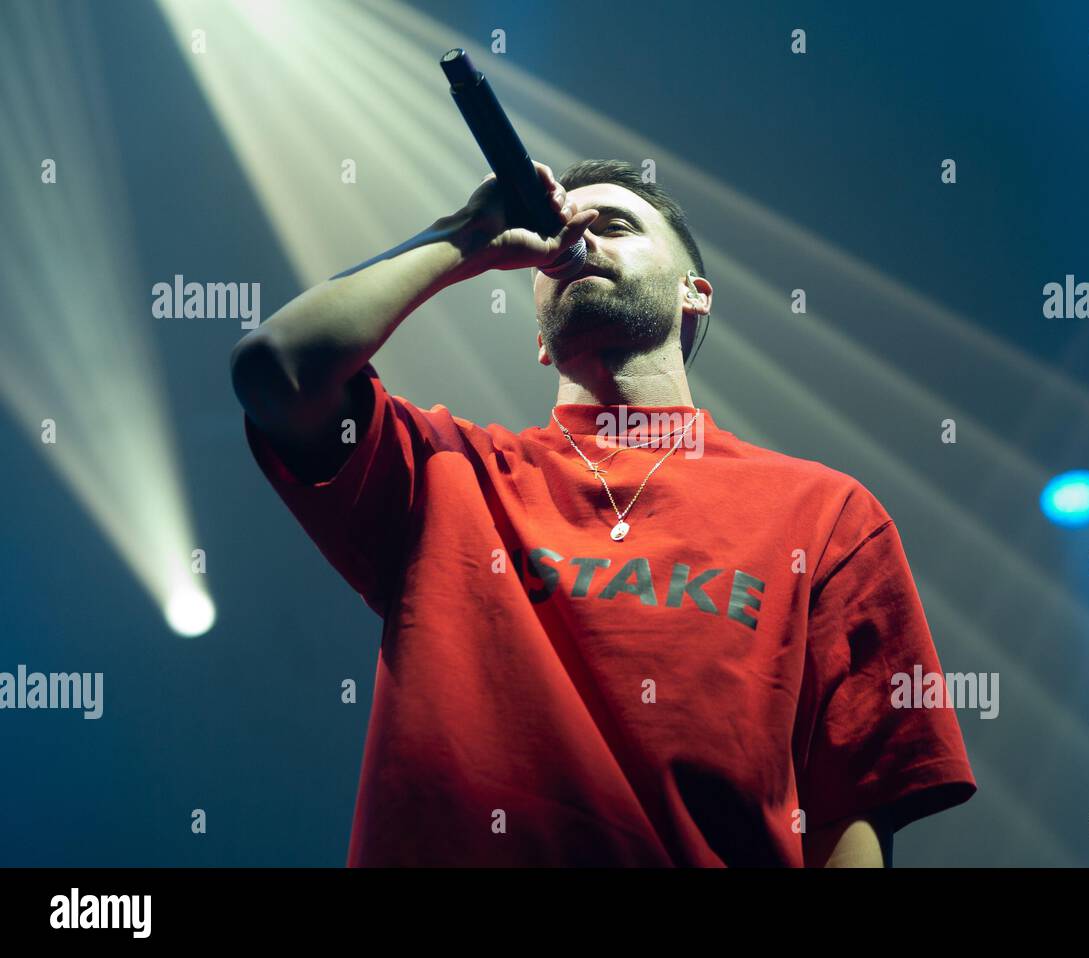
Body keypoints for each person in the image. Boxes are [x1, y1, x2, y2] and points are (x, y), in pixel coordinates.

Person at [230, 158, 976, 866]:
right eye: (560, 240)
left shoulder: (827, 511)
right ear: (540, 342)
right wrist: (467, 239)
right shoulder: (445, 468)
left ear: (695, 293)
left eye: (614, 225)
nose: (576, 241)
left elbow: (852, 808)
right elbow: (277, 371)